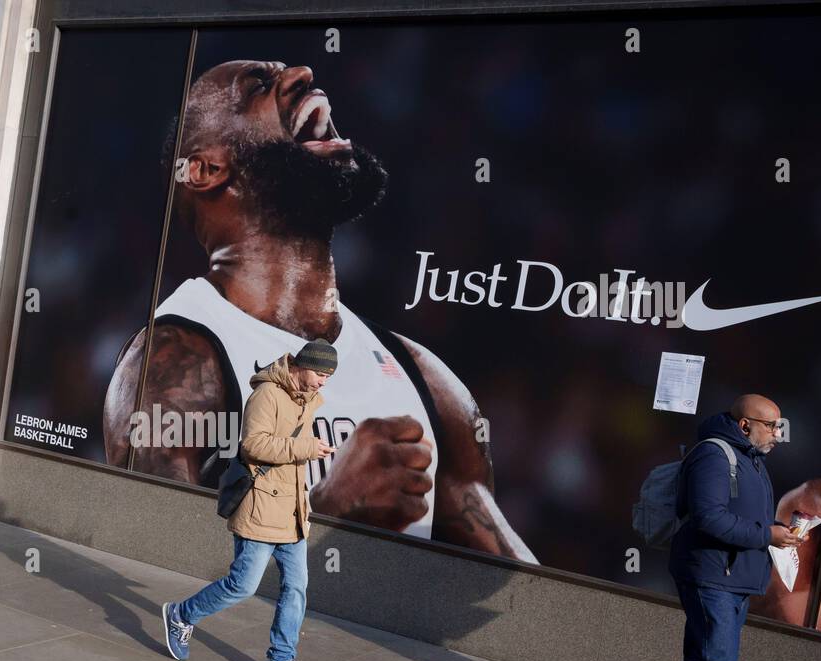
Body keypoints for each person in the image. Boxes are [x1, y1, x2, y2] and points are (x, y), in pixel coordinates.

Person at [105, 59, 533, 561]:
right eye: (259, 86)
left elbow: (514, 597)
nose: (302, 74)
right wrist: (330, 511)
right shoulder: (175, 362)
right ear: (206, 170)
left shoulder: (425, 379)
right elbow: (152, 568)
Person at [631, 394, 803, 661]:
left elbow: (748, 518)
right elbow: (709, 518)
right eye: (772, 426)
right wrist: (767, 536)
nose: (778, 433)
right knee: (717, 659)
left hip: (736, 576)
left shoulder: (753, 459)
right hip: (710, 575)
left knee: (702, 656)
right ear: (746, 426)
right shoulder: (714, 455)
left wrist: (781, 535)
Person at [161, 339, 336, 661]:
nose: (323, 381)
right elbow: (253, 444)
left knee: (296, 588)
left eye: (328, 376)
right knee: (242, 585)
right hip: (262, 508)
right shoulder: (268, 394)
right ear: (301, 366)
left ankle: (281, 660)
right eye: (319, 373)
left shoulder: (308, 400)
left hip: (293, 512)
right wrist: (306, 448)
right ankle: (181, 615)